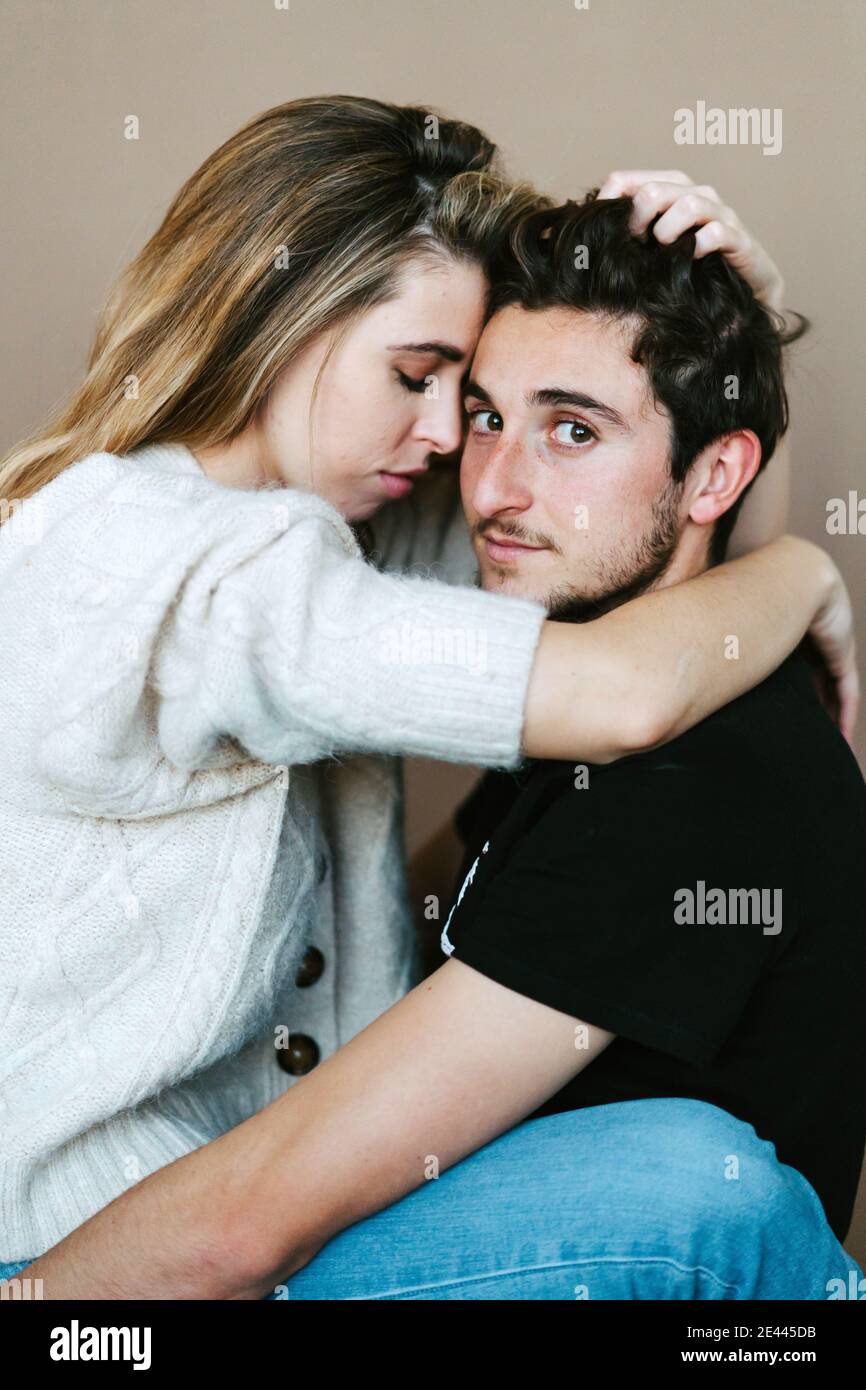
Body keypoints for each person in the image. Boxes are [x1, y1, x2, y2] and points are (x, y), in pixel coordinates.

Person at [0, 99, 857, 1295]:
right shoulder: (189, 571)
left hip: (219, 1199)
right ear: (281, 313)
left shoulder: (348, 521)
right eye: (426, 380)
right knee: (700, 1185)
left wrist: (735, 325)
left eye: (490, 402)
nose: (463, 449)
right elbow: (622, 672)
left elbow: (660, 537)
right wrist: (806, 570)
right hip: (92, 1247)